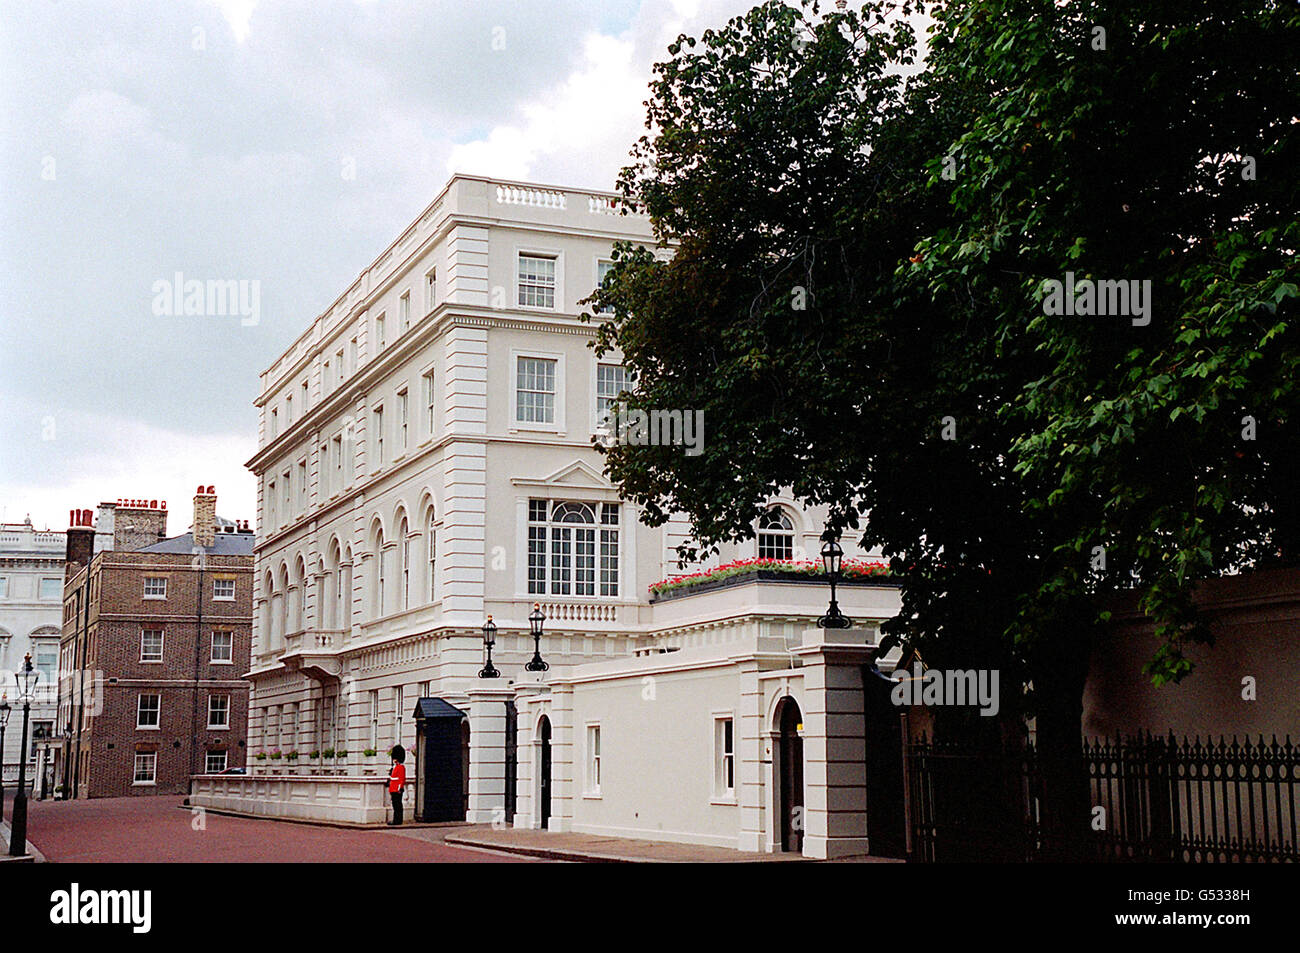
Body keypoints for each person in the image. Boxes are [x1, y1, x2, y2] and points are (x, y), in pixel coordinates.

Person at [387, 744, 407, 825]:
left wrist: (400, 788)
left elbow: (401, 779)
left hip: (397, 789)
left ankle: (398, 820)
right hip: (393, 788)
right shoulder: (396, 767)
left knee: (398, 805)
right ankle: (396, 819)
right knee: (395, 805)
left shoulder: (401, 767)